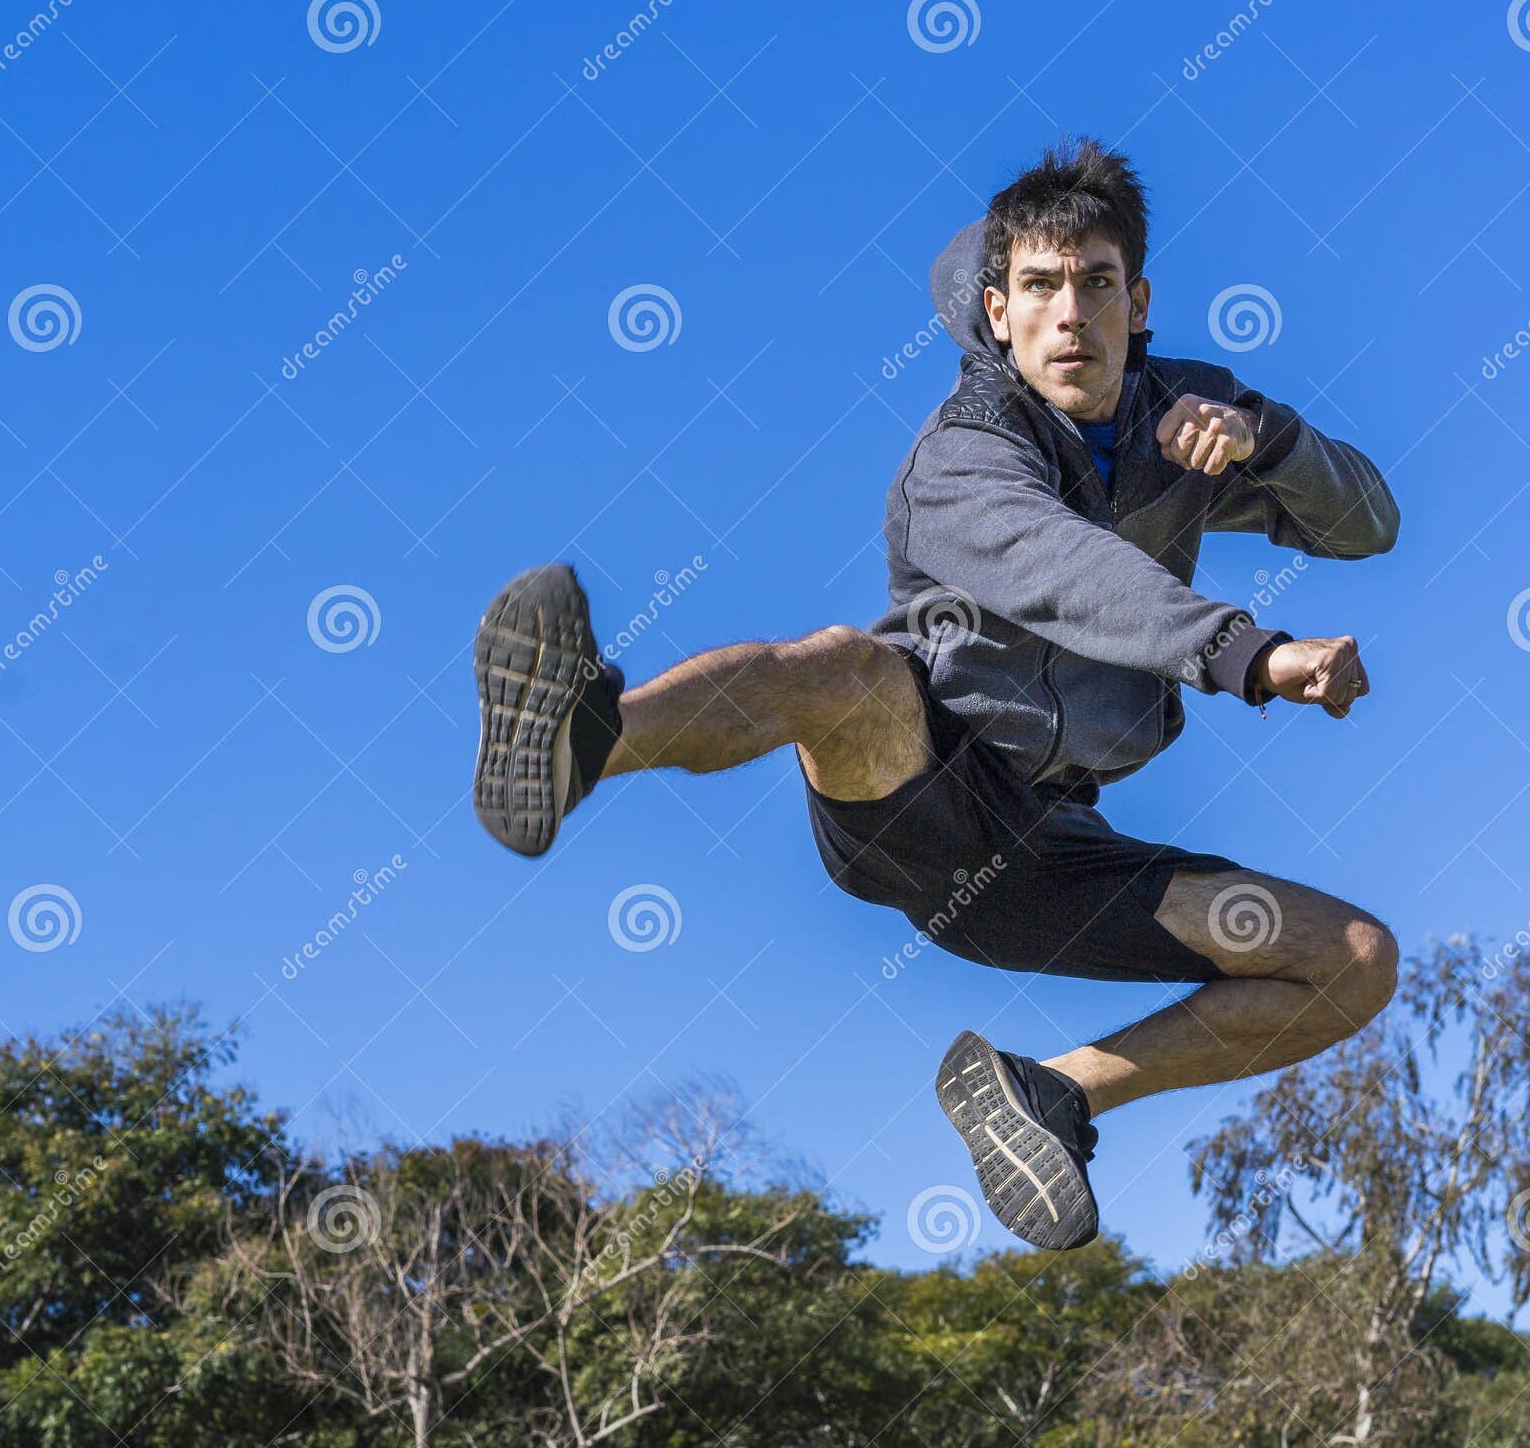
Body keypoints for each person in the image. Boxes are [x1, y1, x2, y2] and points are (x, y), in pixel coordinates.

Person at [470, 136, 1401, 1253]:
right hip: (919, 783)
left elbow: (1367, 523)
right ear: (998, 311)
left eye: (1097, 285)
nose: (1072, 317)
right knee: (849, 670)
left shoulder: (1181, 416)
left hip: (1052, 853)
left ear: (1138, 301)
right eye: (1041, 289)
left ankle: (1054, 1096)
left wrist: (1271, 440)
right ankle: (582, 738)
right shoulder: (963, 456)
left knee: (1350, 959)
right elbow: (1072, 572)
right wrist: (1247, 653)